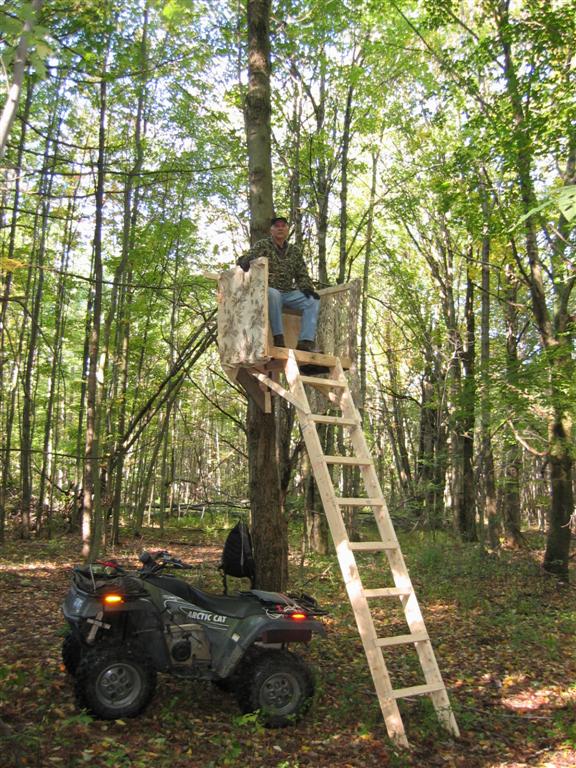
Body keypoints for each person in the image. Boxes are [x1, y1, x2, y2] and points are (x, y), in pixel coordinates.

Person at [237, 216, 320, 351]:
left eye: (283, 226)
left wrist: (307, 289)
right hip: (267, 291)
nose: (280, 228)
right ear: (271, 230)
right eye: (277, 226)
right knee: (274, 294)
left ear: (287, 229)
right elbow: (249, 256)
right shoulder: (263, 245)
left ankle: (305, 342)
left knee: (313, 299)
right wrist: (244, 260)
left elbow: (302, 274)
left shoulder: (295, 251)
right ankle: (278, 337)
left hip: (288, 293)